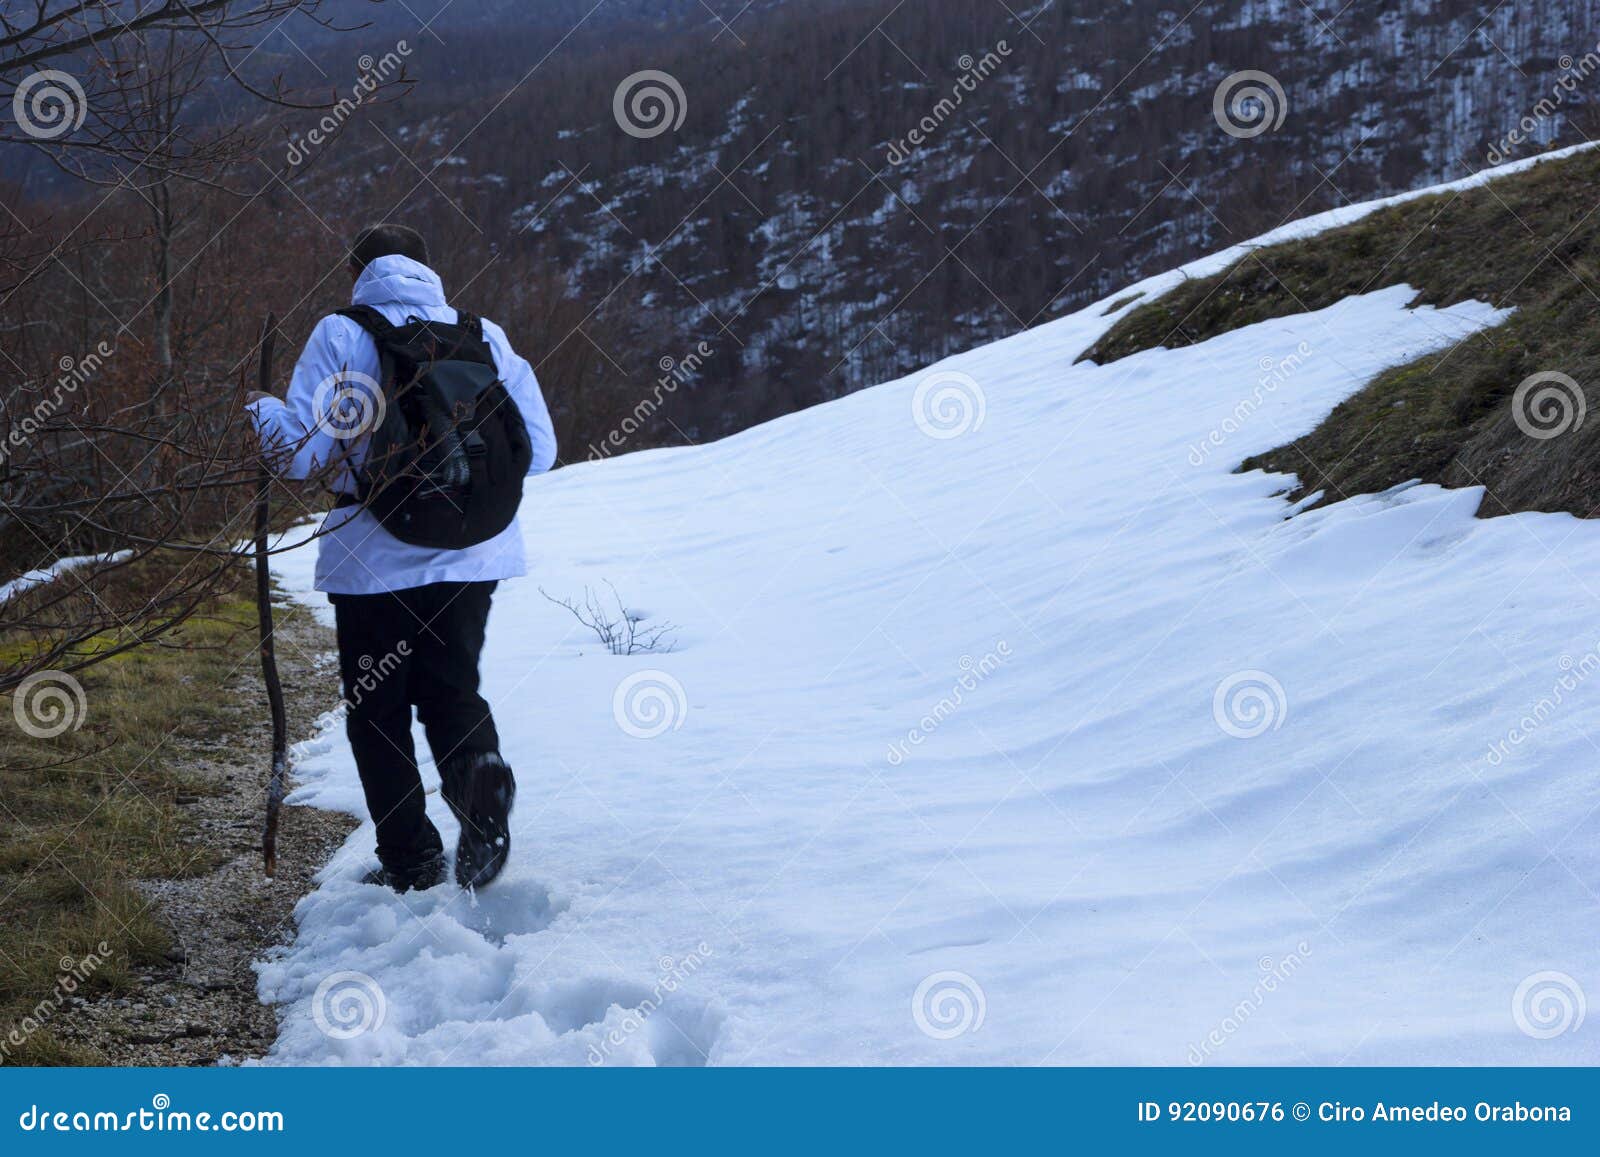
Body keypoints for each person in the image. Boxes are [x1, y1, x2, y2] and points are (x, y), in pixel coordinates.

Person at [247, 224, 557, 893]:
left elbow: (299, 455)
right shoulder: (483, 333)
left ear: (357, 271)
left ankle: (411, 857)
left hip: (373, 558)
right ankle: (478, 776)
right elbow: (543, 446)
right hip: (474, 553)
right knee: (450, 687)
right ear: (427, 268)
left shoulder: (341, 331)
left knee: (377, 708)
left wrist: (265, 409)